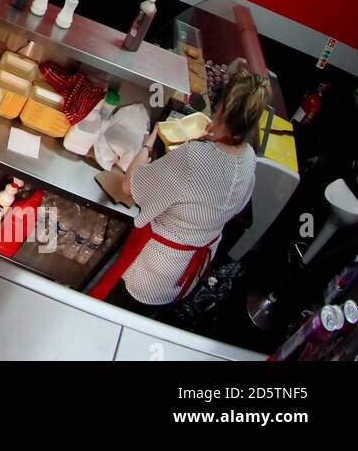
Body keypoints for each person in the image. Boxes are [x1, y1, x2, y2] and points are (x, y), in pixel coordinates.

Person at [90, 66, 271, 315]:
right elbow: (232, 203)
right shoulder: (249, 157)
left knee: (112, 315)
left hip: (151, 270)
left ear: (220, 109)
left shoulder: (194, 157)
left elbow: (129, 185)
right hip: (186, 274)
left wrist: (149, 142)